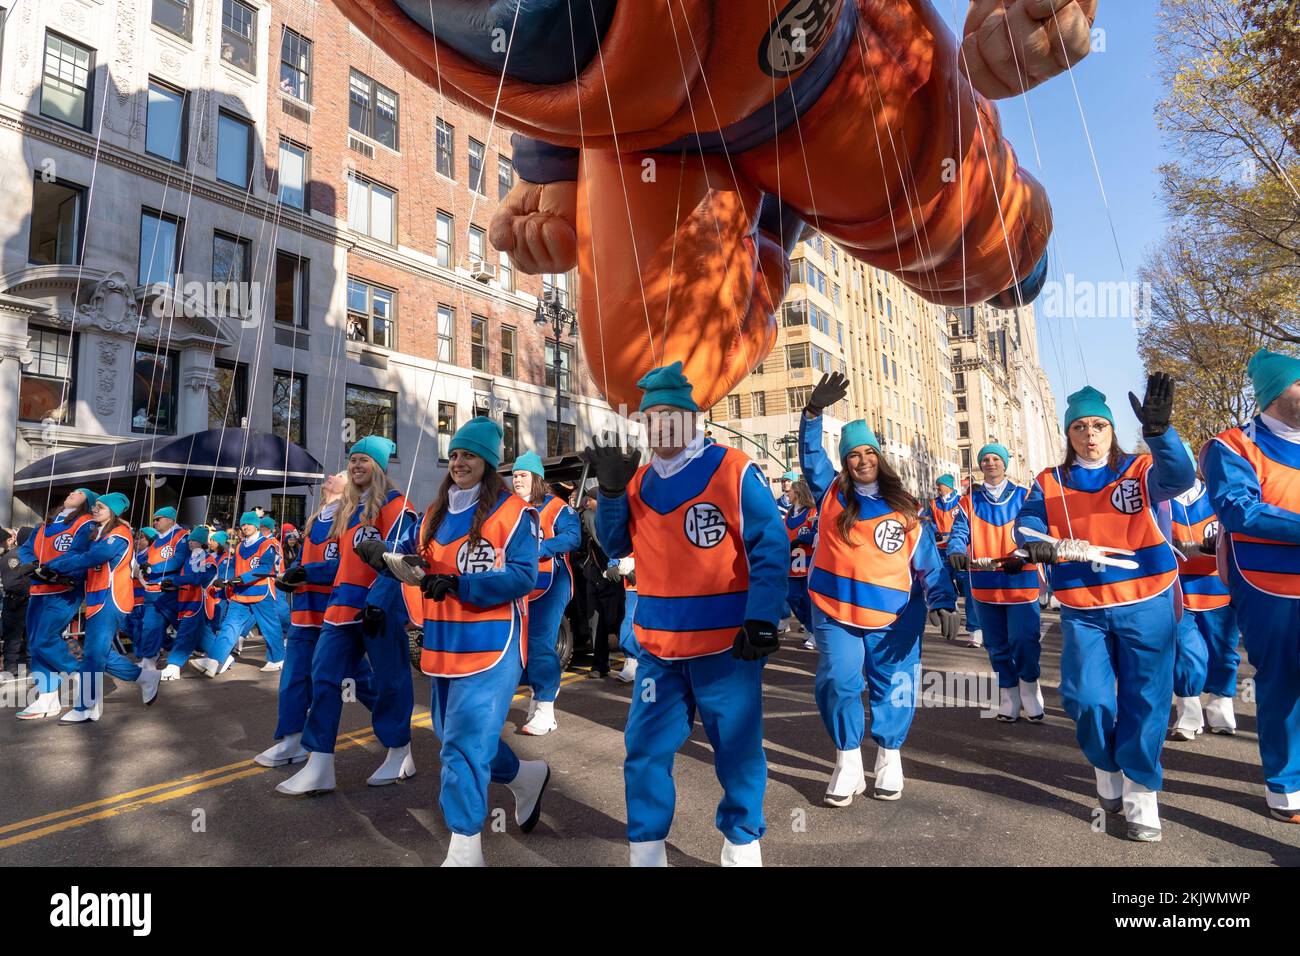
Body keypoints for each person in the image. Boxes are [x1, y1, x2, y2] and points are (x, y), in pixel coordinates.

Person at [591, 361, 788, 867]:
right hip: (658, 647)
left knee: (737, 749)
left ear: (690, 419)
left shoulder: (734, 468)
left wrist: (763, 616)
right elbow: (616, 545)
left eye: (668, 416)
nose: (658, 427)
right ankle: (647, 847)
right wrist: (610, 496)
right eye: (649, 418)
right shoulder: (637, 482)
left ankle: (742, 840)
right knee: (645, 749)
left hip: (727, 644)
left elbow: (769, 545)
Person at [1015, 376, 1193, 842]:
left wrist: (1161, 433)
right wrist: (1048, 544)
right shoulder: (1049, 480)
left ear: (1111, 430)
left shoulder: (1139, 469)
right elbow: (1027, 525)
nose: (1090, 435)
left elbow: (1180, 478)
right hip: (1083, 607)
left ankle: (1140, 794)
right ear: (1068, 434)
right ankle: (1104, 766)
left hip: (1146, 599)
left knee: (1147, 700)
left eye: (1099, 425)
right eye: (1080, 428)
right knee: (1085, 698)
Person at [365, 417, 550, 866]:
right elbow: (412, 560)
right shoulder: (434, 512)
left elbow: (523, 576)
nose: (460, 462)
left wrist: (460, 584)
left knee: (462, 745)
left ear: (488, 462)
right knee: (454, 737)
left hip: (493, 646)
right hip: (443, 644)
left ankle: (465, 847)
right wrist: (379, 557)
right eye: (456, 455)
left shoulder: (515, 513)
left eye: (470, 455)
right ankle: (526, 776)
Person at [798, 372, 956, 807]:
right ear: (845, 462)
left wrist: (942, 600)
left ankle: (889, 757)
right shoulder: (829, 492)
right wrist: (812, 415)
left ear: (880, 458)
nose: (863, 460)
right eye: (854, 455)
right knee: (839, 681)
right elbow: (810, 456)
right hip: (836, 610)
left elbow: (926, 561)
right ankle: (847, 762)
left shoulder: (906, 507)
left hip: (896, 615)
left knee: (895, 684)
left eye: (870, 452)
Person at [277, 436, 417, 795]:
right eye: (352, 460)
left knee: (390, 680)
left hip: (378, 608)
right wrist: (306, 573)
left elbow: (400, 560)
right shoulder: (348, 511)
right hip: (341, 609)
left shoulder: (396, 505)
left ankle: (400, 750)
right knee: (323, 676)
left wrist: (380, 602)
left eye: (364, 460)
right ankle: (320, 762)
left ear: (380, 467)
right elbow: (341, 564)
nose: (356, 466)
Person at [1201, 349, 1300, 823]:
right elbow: (1239, 509)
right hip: (1269, 585)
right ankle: (1286, 785)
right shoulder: (1230, 445)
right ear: (1277, 392)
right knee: (1283, 681)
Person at [257, 472, 381, 768]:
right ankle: (291, 740)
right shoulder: (315, 519)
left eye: (338, 475)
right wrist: (291, 575)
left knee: (357, 679)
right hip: (304, 610)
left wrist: (309, 573)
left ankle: (396, 732)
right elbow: (303, 561)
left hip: (334, 613)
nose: (329, 477)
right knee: (294, 676)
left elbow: (349, 565)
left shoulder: (351, 517)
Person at [947, 443, 1045, 722]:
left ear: (1005, 463)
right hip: (984, 582)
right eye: (985, 459)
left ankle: (1030, 688)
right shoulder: (968, 501)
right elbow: (960, 532)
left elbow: (1034, 528)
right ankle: (1008, 696)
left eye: (995, 459)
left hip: (1020, 578)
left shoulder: (1025, 496)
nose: (990, 463)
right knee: (996, 643)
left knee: (1024, 640)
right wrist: (955, 549)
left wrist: (1023, 553)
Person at [44, 493, 161, 722]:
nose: (95, 509)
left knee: (92, 654)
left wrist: (53, 565)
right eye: (95, 506)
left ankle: (86, 707)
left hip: (112, 599)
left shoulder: (118, 535)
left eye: (101, 507)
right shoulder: (99, 532)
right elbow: (80, 553)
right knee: (97, 653)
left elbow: (90, 558)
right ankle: (145, 677)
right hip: (99, 599)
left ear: (114, 512)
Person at [1167, 441, 1240, 741]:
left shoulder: (1217, 497)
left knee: (1223, 653)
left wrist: (1220, 546)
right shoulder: (1158, 500)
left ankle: (1221, 709)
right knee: (1187, 651)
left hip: (1218, 590)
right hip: (1179, 592)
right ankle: (1189, 713)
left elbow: (1238, 534)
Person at [511, 450, 581, 736]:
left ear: (536, 478)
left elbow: (572, 537)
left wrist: (541, 549)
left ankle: (545, 707)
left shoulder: (557, 507)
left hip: (551, 585)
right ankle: (538, 695)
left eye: (522, 475)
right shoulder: (509, 507)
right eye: (514, 476)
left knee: (540, 644)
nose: (517, 480)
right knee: (518, 646)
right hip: (518, 587)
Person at [15, 489, 99, 720]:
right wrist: (31, 564)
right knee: (34, 642)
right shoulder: (46, 524)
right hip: (38, 588)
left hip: (64, 588)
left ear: (88, 502)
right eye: (72, 491)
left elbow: (78, 553)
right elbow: (26, 548)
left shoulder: (85, 523)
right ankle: (47, 697)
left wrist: (53, 569)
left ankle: (80, 672)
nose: (72, 493)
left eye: (80, 492)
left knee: (44, 638)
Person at [190, 513, 284, 676]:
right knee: (229, 626)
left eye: (249, 523)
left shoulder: (267, 544)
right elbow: (232, 567)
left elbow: (264, 568)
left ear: (256, 525)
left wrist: (240, 579)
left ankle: (277, 659)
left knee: (270, 627)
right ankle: (214, 661)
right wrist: (223, 580)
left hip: (261, 591)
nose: (245, 526)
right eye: (243, 524)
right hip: (240, 593)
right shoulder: (240, 546)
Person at [926, 474, 982, 647]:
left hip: (960, 553)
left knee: (969, 590)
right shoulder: (933, 503)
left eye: (940, 485)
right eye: (936, 485)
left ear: (949, 486)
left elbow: (966, 525)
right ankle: (951, 613)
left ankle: (975, 630)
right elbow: (928, 521)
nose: (937, 488)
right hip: (941, 552)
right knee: (943, 585)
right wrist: (934, 531)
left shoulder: (962, 501)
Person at [158, 527, 219, 680]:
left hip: (198, 601)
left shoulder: (207, 559)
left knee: (185, 633)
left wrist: (175, 581)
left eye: (195, 540)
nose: (191, 542)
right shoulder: (190, 557)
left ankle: (174, 666)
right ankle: (221, 658)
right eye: (190, 539)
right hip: (186, 599)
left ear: (202, 542)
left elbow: (198, 579)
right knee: (202, 635)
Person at [137, 507, 188, 665]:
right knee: (150, 626)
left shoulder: (182, 536)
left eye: (159, 519)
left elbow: (178, 560)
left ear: (171, 520)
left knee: (187, 627)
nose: (155, 522)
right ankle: (149, 658)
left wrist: (153, 568)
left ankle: (218, 655)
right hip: (153, 590)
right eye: (154, 519)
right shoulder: (156, 540)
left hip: (172, 591)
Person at [784, 477, 818, 648]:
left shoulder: (812, 512)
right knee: (792, 597)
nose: (786, 494)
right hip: (791, 566)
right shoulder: (788, 514)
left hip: (808, 564)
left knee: (808, 599)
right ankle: (809, 626)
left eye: (789, 491)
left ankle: (814, 631)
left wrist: (802, 539)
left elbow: (818, 534)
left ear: (797, 492)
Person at [2, 528, 33, 678]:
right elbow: (11, 583)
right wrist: (32, 590)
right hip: (15, 603)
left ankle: (27, 666)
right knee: (13, 638)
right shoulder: (13, 556)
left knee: (29, 637)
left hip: (29, 603)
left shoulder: (32, 556)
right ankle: (11, 668)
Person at [261, 515, 292, 657]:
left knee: (280, 609)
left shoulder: (270, 542)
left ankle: (288, 634)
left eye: (262, 527)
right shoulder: (268, 542)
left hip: (274, 579)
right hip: (267, 580)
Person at [612, 555, 639, 684]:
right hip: (633, 584)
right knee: (630, 620)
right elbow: (619, 545)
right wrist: (612, 564)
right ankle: (631, 661)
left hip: (657, 580)